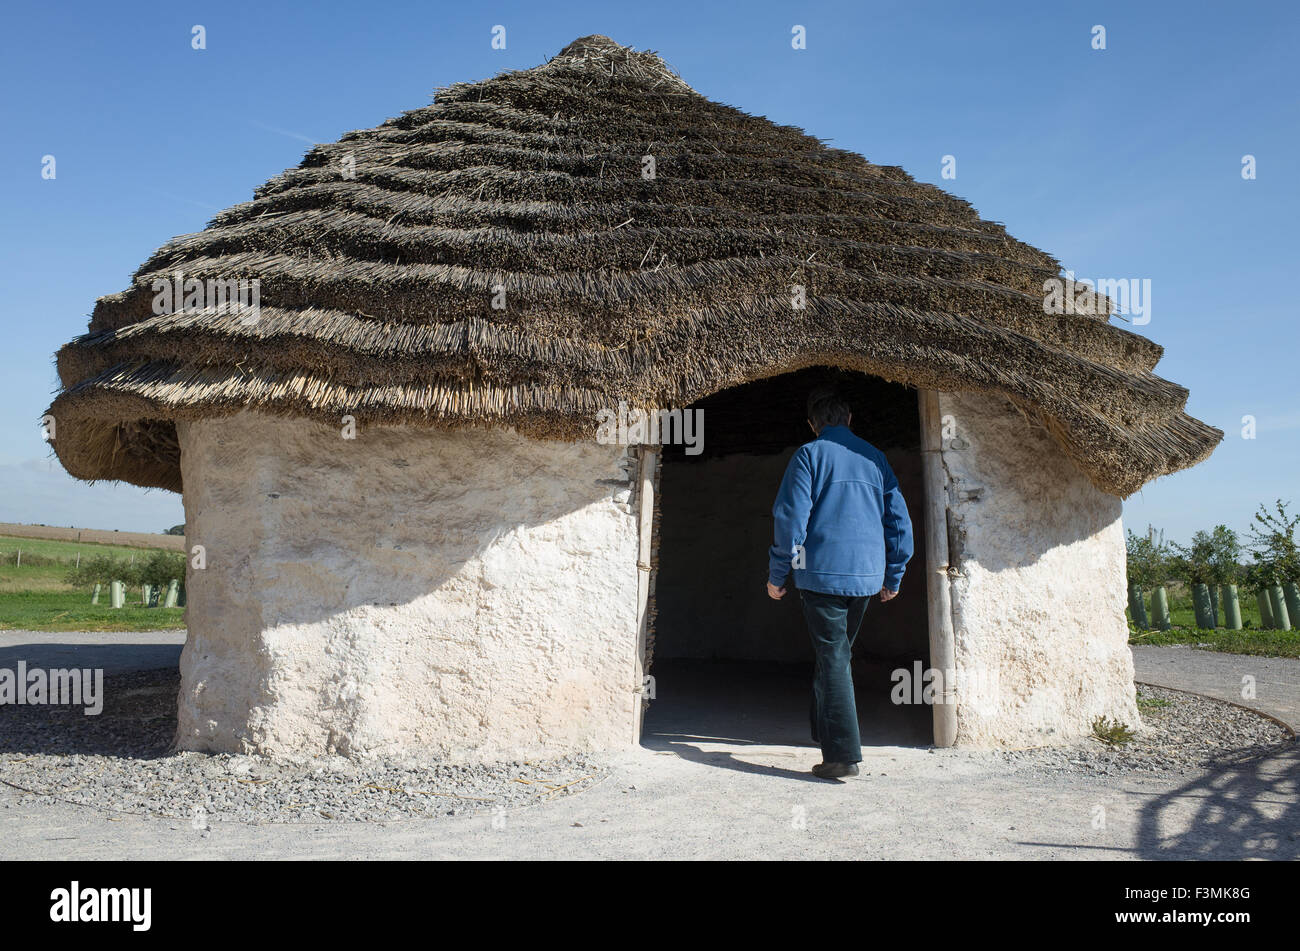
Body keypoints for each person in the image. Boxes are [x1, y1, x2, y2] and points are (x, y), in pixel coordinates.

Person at [766, 384, 914, 779]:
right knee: (836, 653)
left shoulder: (809, 455)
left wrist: (777, 574)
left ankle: (842, 756)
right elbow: (899, 523)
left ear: (813, 425)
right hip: (866, 577)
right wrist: (893, 575)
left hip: (820, 576)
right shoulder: (875, 458)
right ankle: (823, 731)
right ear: (849, 419)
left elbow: (790, 520)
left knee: (833, 657)